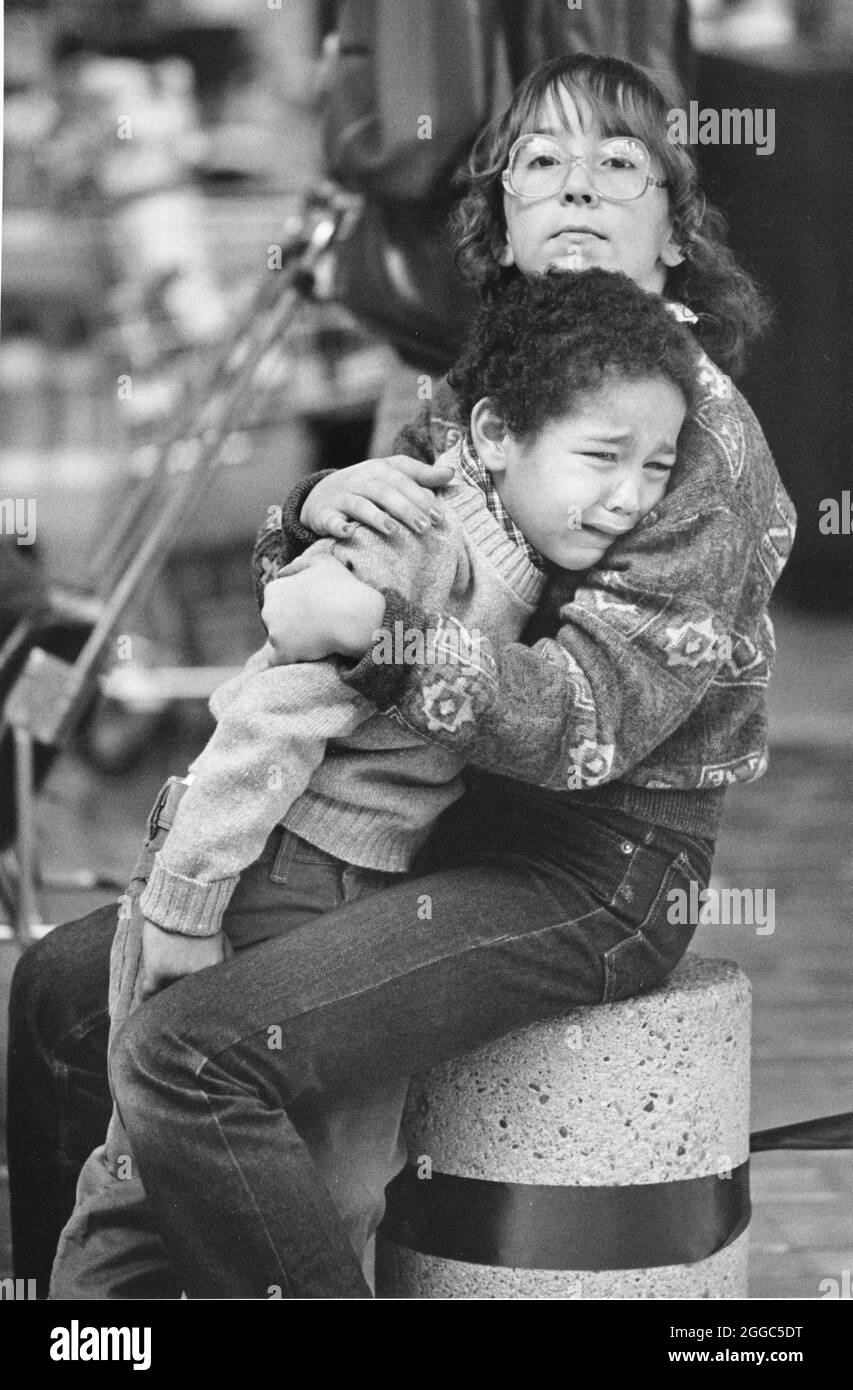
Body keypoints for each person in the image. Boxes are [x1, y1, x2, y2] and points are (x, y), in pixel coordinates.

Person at [8, 52, 794, 1297]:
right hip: (427, 821)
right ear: (501, 217)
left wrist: (374, 636)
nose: (576, 189)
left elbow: (579, 723)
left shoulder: (697, 443)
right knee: (57, 989)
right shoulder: (477, 384)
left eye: (618, 165)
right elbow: (344, 565)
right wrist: (311, 504)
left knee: (189, 1056)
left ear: (673, 227)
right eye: (541, 162)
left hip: (591, 865)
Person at [48, 268, 697, 1299]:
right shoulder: (418, 529)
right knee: (141, 1186)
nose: (629, 492)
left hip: (370, 884)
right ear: (491, 436)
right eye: (600, 455)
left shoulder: (541, 558)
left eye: (656, 464)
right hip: (264, 861)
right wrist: (183, 900)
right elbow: (271, 712)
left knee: (339, 1192)